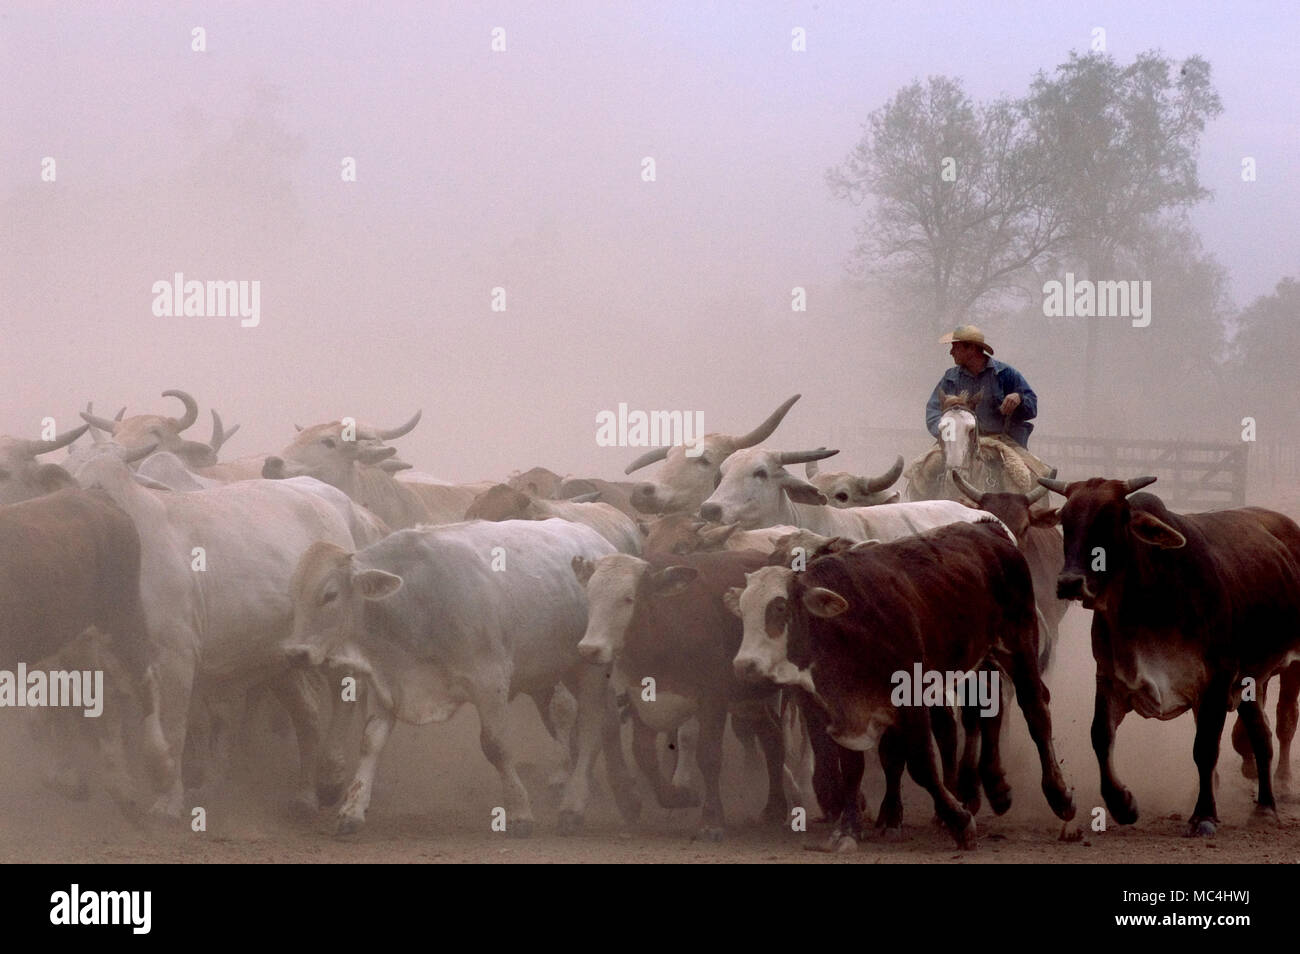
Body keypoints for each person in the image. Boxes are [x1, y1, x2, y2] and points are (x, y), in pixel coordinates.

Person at [925, 325, 1038, 448]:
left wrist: (1019, 398)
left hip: (1002, 444)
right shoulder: (950, 378)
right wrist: (948, 433)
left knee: (1026, 467)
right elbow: (933, 410)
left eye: (956, 347)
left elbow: (1032, 406)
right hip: (958, 445)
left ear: (972, 348)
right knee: (924, 465)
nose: (951, 352)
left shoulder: (1005, 374)